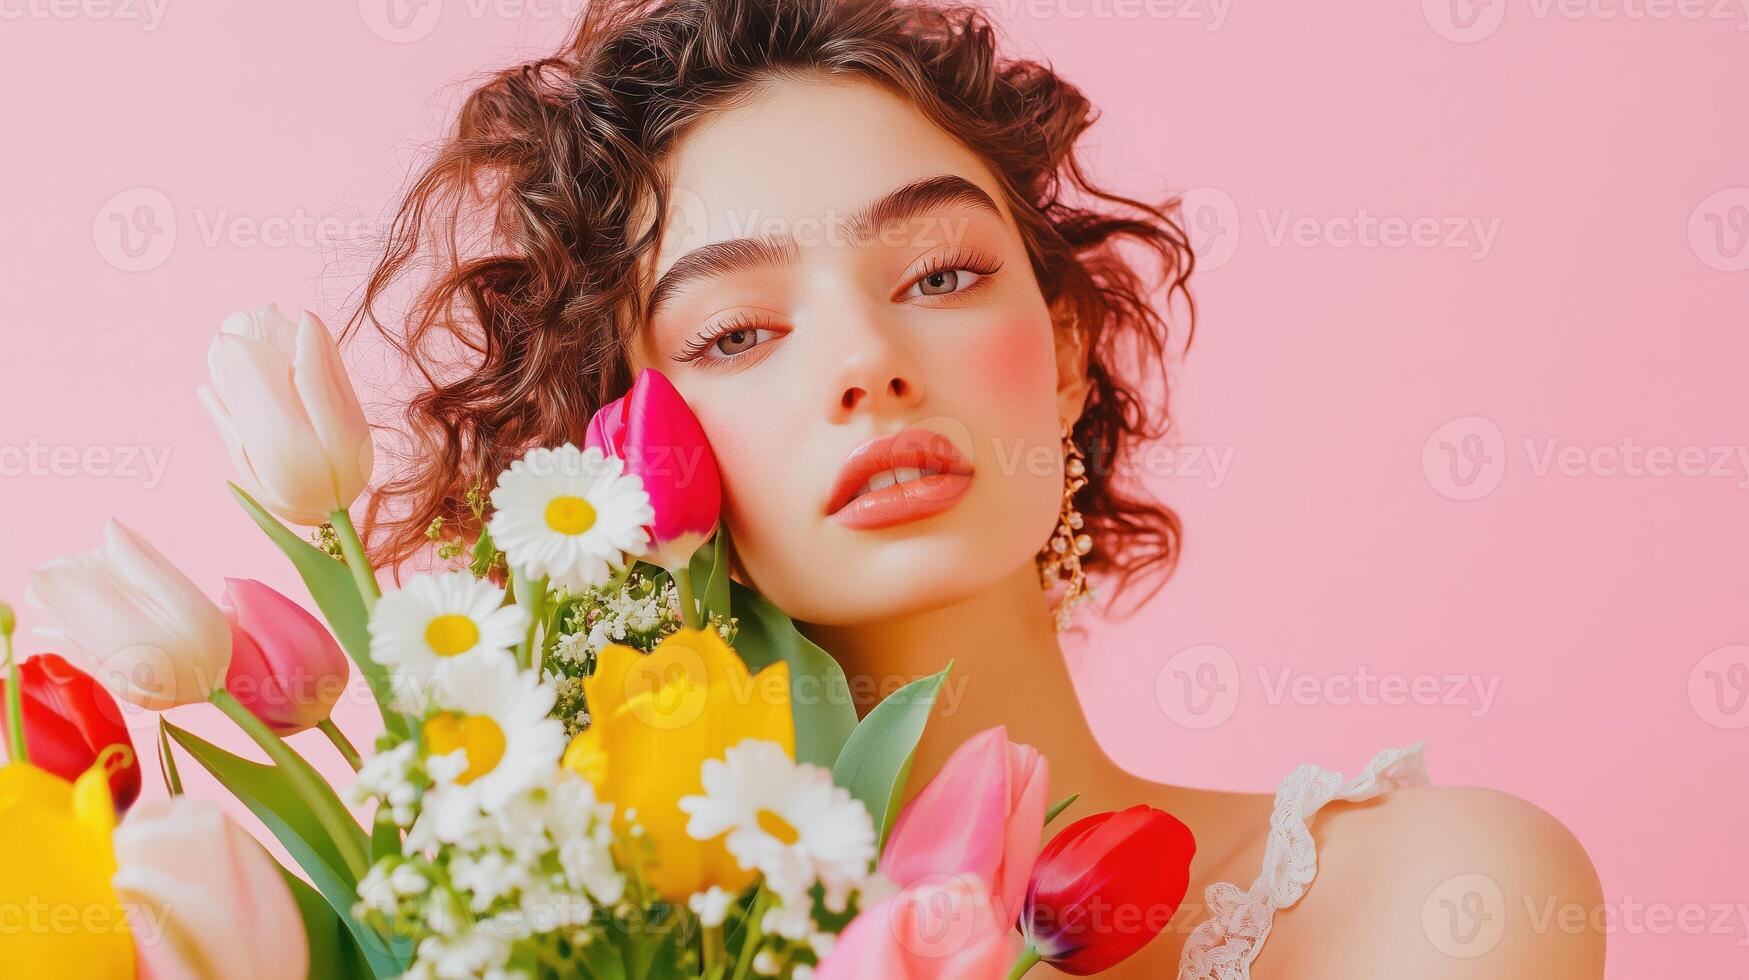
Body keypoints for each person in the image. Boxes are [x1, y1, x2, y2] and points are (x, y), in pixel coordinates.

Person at [352, 0, 1605, 975]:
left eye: (940, 275)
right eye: (736, 333)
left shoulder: (1433, 894)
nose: (866, 365)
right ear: (615, 454)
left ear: (1065, 353)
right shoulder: (586, 939)